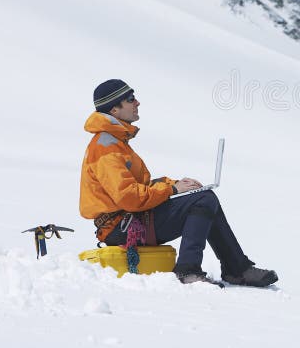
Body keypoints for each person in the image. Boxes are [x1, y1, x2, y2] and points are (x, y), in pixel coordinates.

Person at [79, 79, 277, 287]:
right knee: (202, 201)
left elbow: (140, 185)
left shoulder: (115, 142)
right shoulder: (106, 147)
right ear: (115, 109)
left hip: (128, 220)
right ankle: (189, 271)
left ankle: (237, 269)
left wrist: (176, 184)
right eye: (130, 99)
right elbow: (129, 197)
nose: (137, 103)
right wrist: (172, 189)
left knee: (206, 198)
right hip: (121, 226)